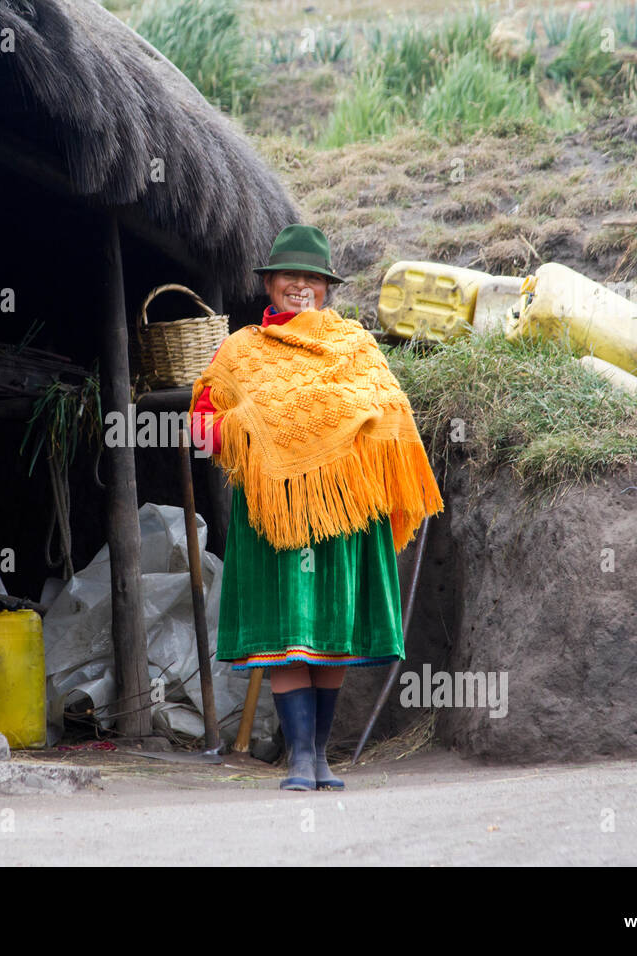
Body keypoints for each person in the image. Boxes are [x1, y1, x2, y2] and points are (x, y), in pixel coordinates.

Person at [189, 224, 443, 791]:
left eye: (312, 277)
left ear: (326, 287)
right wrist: (249, 425)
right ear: (269, 283)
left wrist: (351, 452)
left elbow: (392, 416)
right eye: (289, 275)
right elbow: (201, 431)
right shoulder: (239, 351)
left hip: (344, 514)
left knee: (328, 634)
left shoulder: (356, 346)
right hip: (275, 515)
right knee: (289, 636)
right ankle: (299, 759)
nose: (299, 285)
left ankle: (320, 758)